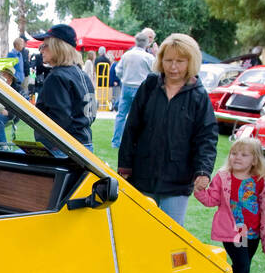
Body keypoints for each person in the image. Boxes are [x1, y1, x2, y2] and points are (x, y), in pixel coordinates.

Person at [117, 32, 217, 226]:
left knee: (169, 239)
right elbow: (132, 128)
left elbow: (206, 137)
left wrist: (203, 171)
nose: (173, 67)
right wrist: (125, 165)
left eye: (180, 61)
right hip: (142, 177)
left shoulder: (198, 95)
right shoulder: (149, 86)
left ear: (191, 62)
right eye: (168, 60)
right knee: (139, 233)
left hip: (177, 182)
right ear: (160, 60)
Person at [193, 135, 265, 273]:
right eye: (234, 153)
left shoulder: (261, 181)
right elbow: (212, 200)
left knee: (244, 265)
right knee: (242, 265)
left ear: (254, 160)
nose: (237, 157)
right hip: (235, 231)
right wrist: (199, 190)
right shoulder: (223, 177)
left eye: (244, 155)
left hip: (253, 233)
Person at [32, 24, 94, 149]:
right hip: (84, 144)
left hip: (63, 148)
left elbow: (60, 119)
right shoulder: (81, 74)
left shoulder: (56, 77)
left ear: (58, 47)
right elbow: (90, 114)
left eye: (44, 45)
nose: (41, 50)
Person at [111, 31, 157, 148]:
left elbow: (118, 70)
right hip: (141, 87)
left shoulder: (126, 55)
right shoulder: (148, 57)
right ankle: (137, 141)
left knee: (121, 115)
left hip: (126, 86)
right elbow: (155, 72)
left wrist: (124, 78)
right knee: (141, 116)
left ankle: (116, 142)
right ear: (147, 43)